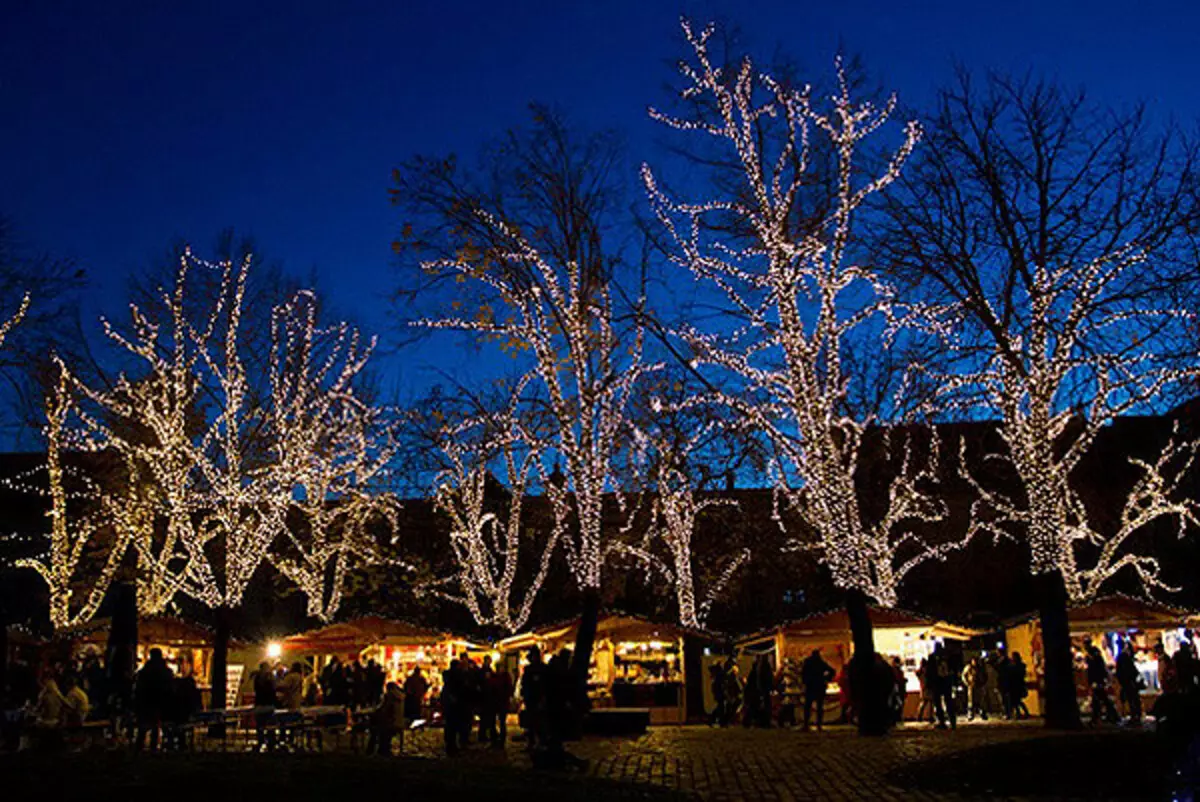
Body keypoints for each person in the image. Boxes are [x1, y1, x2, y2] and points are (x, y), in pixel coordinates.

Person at [134, 648, 175, 751]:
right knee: (157, 724)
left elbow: (139, 686)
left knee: (143, 725)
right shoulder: (165, 671)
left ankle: (140, 745)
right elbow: (170, 686)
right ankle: (154, 745)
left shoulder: (145, 671)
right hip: (161, 701)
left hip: (147, 700)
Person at [1084, 640, 1119, 726]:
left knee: (1100, 698)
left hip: (1097, 680)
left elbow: (1095, 669)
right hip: (1098, 680)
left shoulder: (1093, 656)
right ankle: (1106, 715)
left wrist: (1094, 680)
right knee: (1101, 698)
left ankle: (1100, 716)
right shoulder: (1095, 655)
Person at [801, 649, 835, 732]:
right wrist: (827, 679)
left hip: (810, 686)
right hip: (819, 686)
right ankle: (818, 724)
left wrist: (805, 682)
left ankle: (806, 724)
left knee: (808, 706)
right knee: (819, 706)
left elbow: (803, 673)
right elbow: (832, 671)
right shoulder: (821, 663)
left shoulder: (808, 663)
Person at [367, 681, 405, 756]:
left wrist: (376, 712)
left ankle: (373, 749)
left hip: (390, 723)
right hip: (399, 722)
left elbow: (384, 709)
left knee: (375, 728)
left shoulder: (389, 696)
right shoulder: (401, 697)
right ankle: (381, 749)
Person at [1114, 640, 1143, 725]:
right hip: (1129, 682)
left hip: (1127, 682)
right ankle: (1136, 715)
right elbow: (1131, 670)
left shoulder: (1122, 657)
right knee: (1133, 699)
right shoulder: (1125, 657)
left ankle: (1135, 716)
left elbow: (1122, 670)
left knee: (1131, 699)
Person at [487, 659, 514, 747]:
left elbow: (509, 689)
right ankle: (494, 739)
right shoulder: (494, 676)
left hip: (502, 702)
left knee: (502, 722)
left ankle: (501, 740)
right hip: (495, 702)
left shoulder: (506, 677)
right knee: (492, 722)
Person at [252, 661, 278, 752]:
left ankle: (260, 741)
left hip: (259, 704)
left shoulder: (257, 677)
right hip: (270, 704)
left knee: (260, 725)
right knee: (270, 725)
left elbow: (255, 689)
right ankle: (271, 742)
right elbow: (275, 688)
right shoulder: (271, 677)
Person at [929, 646, 956, 730]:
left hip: (938, 682)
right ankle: (951, 721)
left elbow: (930, 671)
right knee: (948, 702)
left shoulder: (933, 658)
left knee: (939, 703)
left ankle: (943, 722)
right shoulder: (947, 657)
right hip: (945, 682)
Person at [1008, 652, 1030, 720]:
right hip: (1016, 684)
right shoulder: (1019, 665)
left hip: (1017, 684)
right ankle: (1020, 713)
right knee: (1016, 701)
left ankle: (1021, 713)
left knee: (1016, 700)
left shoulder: (1017, 666)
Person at [963, 657, 985, 721]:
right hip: (971, 686)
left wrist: (983, 682)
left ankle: (982, 713)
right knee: (971, 701)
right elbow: (964, 675)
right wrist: (967, 683)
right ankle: (970, 714)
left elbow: (985, 675)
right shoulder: (969, 667)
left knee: (981, 701)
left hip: (979, 686)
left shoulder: (980, 668)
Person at [916, 657, 935, 723]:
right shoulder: (927, 670)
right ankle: (930, 717)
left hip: (923, 687)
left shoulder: (919, 671)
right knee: (930, 703)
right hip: (928, 687)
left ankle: (919, 716)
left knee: (924, 702)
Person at [708, 662, 727, 726]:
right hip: (720, 692)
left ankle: (716, 720)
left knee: (720, 707)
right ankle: (720, 721)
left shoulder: (718, 674)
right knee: (721, 707)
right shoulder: (720, 674)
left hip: (718, 692)